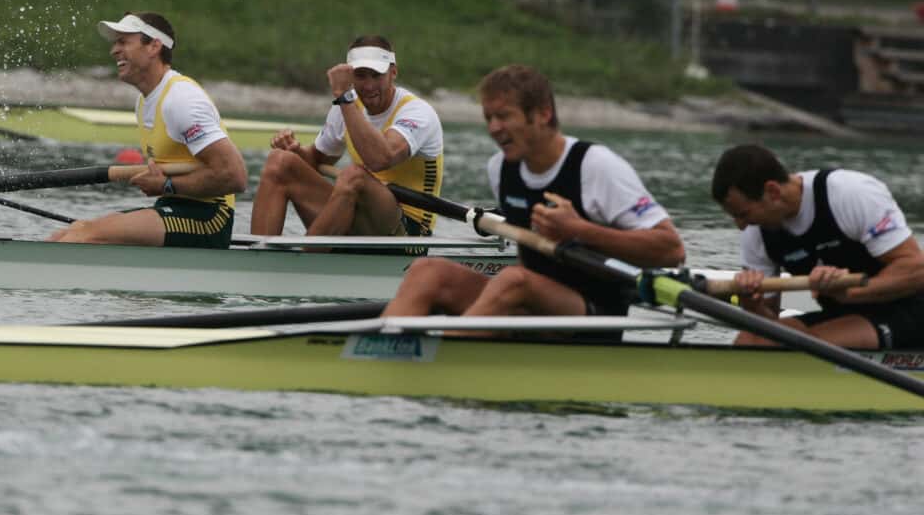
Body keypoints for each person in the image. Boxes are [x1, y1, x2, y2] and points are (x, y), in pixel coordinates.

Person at [383, 65, 684, 325]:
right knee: (428, 271)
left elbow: (672, 249)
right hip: (530, 302)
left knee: (514, 280)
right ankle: (380, 354)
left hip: (593, 313)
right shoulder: (500, 168)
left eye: (504, 116)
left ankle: (445, 353)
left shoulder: (595, 166)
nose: (494, 128)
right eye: (489, 118)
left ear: (543, 114)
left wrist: (580, 230)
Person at [47, 11, 247, 249]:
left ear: (154, 46)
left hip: (210, 218)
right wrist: (166, 187)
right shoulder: (144, 102)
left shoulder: (181, 100)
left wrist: (167, 185)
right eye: (115, 43)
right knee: (71, 231)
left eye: (124, 42)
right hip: (172, 207)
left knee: (84, 236)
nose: (114, 50)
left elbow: (235, 176)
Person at [711, 143, 924, 349]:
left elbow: (917, 269)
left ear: (773, 191)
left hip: (910, 308)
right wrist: (752, 303)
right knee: (750, 341)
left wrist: (851, 293)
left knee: (810, 344)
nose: (741, 226)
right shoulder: (756, 231)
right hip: (842, 314)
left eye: (743, 214)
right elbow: (767, 322)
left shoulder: (849, 193)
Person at [249, 35, 443, 248]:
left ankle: (305, 257)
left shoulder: (417, 112)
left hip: (408, 235)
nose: (368, 85)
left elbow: (380, 159)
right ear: (351, 76)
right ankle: (258, 255)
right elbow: (316, 161)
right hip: (359, 216)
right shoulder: (346, 105)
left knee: (354, 176)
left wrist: (344, 97)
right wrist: (296, 151)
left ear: (393, 73)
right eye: (361, 76)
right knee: (280, 162)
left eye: (376, 75)